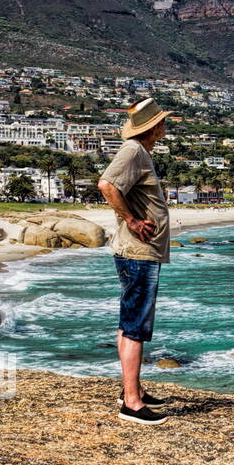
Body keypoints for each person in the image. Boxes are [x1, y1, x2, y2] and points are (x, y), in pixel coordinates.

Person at [98, 97, 173, 424]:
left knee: (129, 320)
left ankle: (132, 390)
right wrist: (131, 220)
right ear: (154, 127)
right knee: (136, 325)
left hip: (139, 251)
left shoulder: (140, 152)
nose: (165, 125)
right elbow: (106, 184)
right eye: (162, 121)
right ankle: (131, 403)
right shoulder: (132, 151)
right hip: (138, 251)